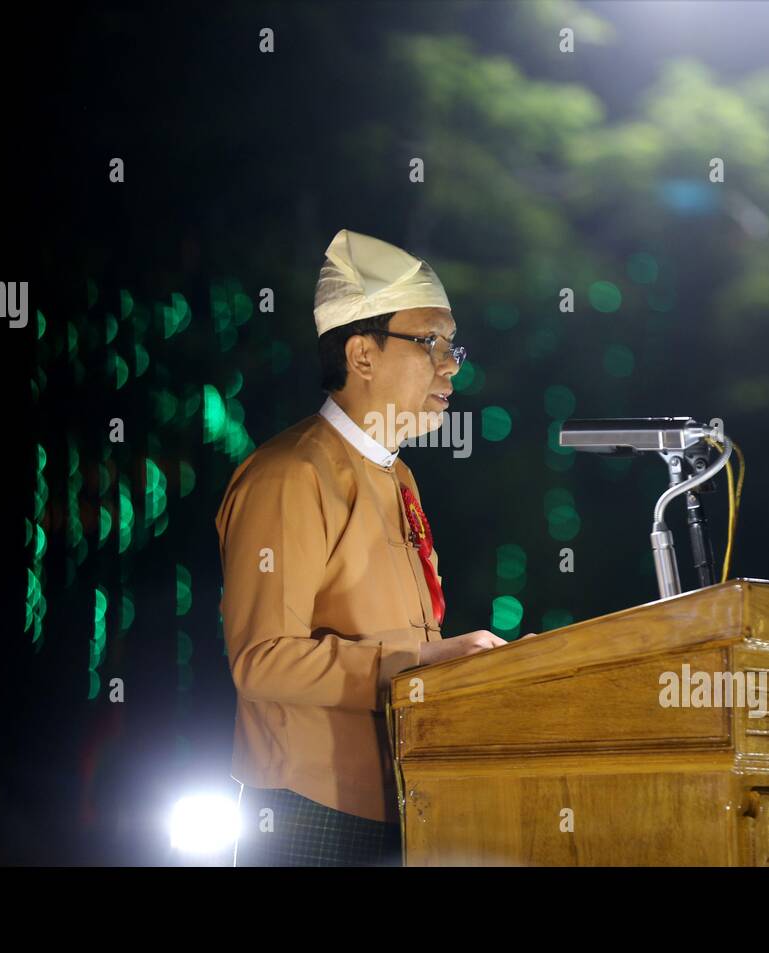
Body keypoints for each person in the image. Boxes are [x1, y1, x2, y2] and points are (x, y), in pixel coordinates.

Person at [215, 228, 532, 866]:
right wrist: (421, 663)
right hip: (310, 806)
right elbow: (262, 661)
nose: (451, 365)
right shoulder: (291, 474)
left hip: (405, 790)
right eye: (431, 344)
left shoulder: (395, 474)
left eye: (453, 347)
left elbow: (410, 641)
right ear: (362, 354)